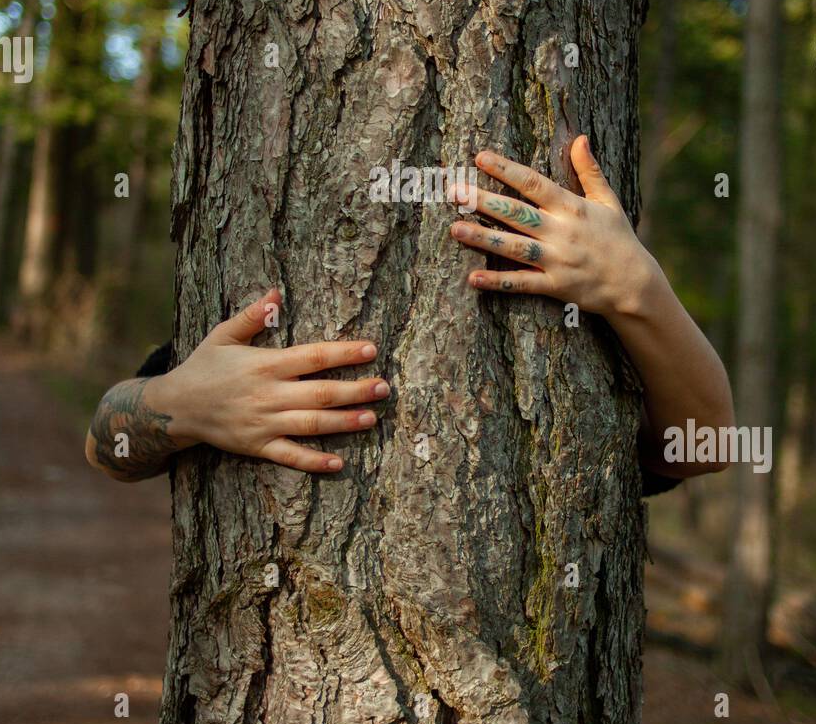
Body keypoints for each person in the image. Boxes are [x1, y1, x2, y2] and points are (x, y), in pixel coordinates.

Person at [85, 136, 734, 494]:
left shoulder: (593, 319)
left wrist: (638, 289)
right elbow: (105, 446)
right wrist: (180, 403)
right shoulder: (248, 313)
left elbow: (704, 446)